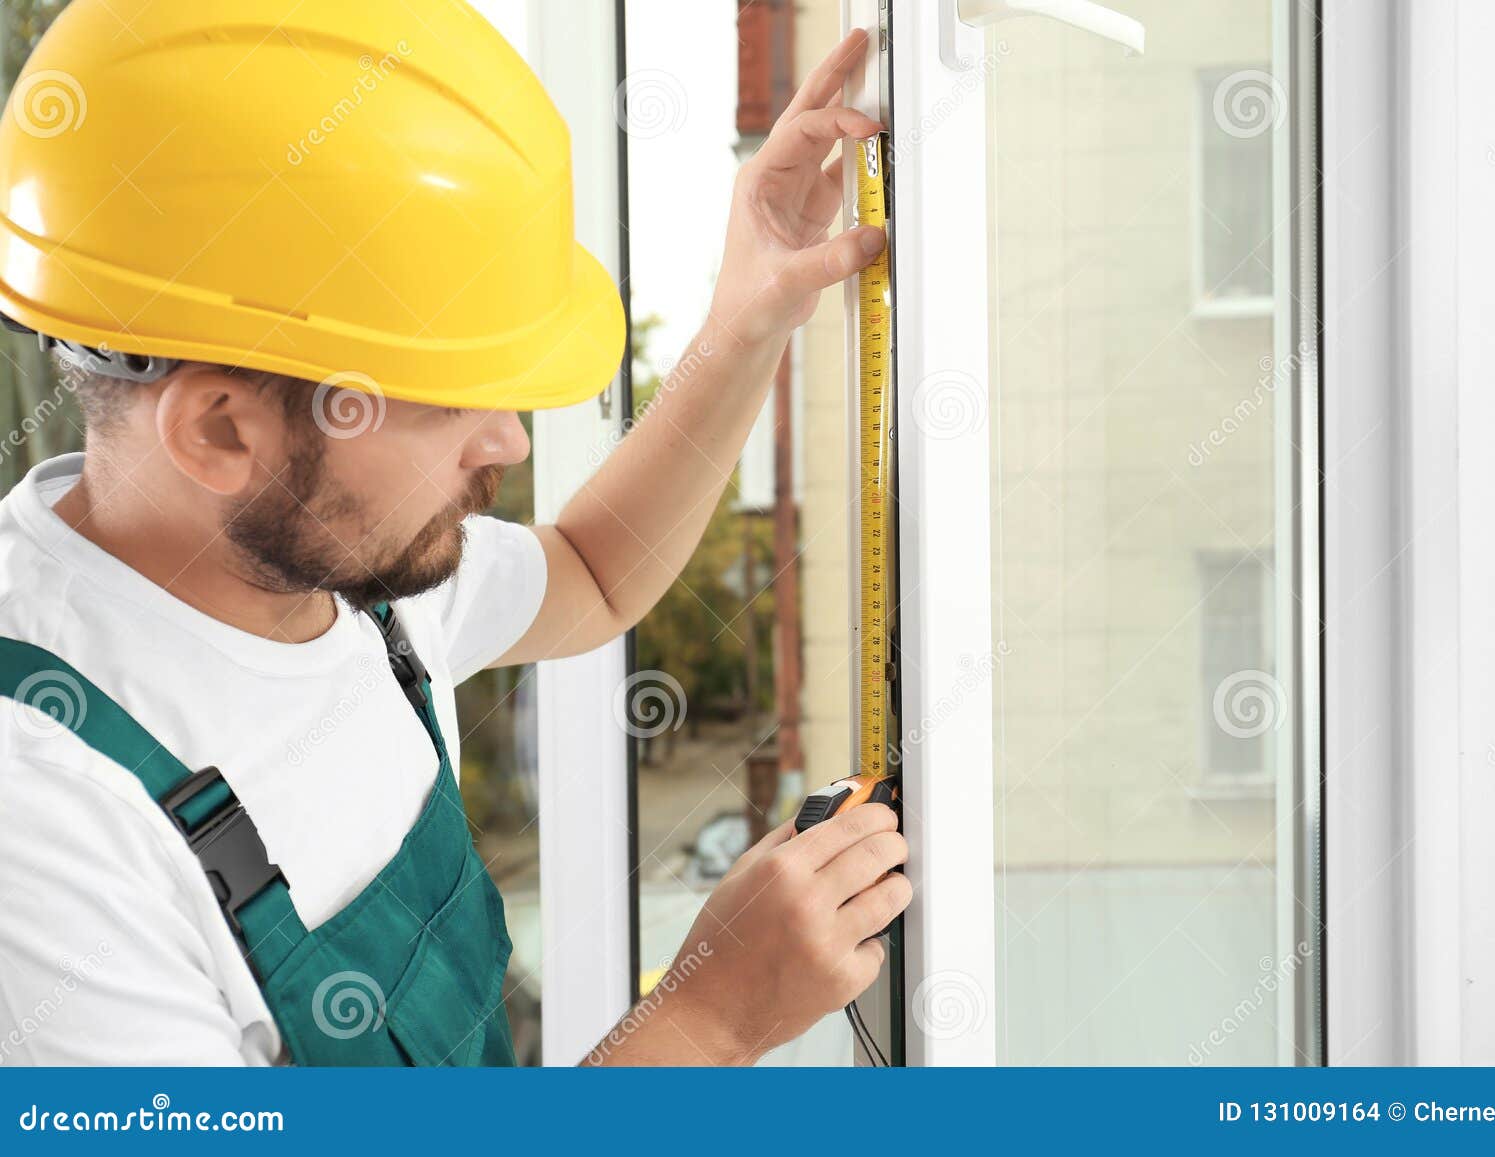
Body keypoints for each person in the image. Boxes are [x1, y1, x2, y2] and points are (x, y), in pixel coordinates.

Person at [0, 1, 909, 1066]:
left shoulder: (322, 561)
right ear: (219, 429)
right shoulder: (46, 816)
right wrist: (709, 1017)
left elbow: (592, 571)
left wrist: (751, 312)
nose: (508, 443)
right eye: (452, 396)